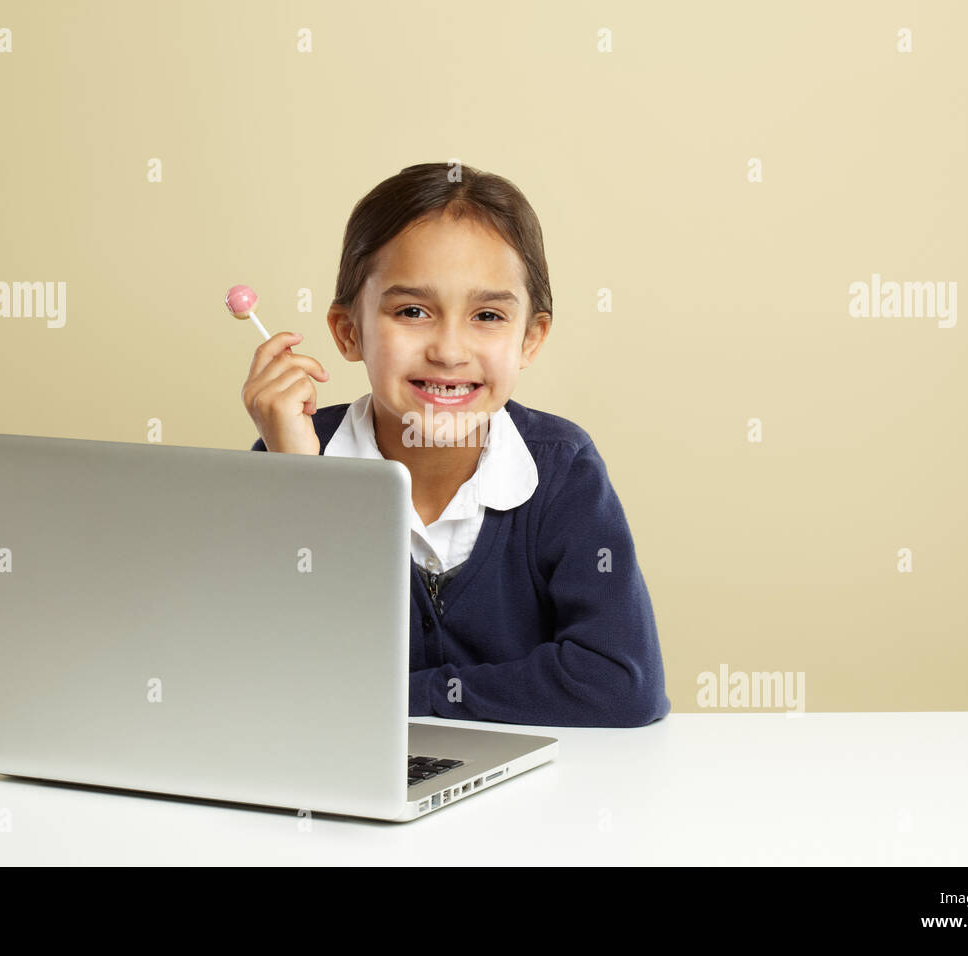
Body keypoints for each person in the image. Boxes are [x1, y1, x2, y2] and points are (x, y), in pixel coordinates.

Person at [242, 162, 669, 727]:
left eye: (487, 315)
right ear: (349, 332)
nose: (448, 350)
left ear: (530, 339)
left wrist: (413, 698)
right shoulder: (289, 458)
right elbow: (271, 681)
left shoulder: (562, 469)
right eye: (412, 312)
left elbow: (620, 684)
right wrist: (305, 485)